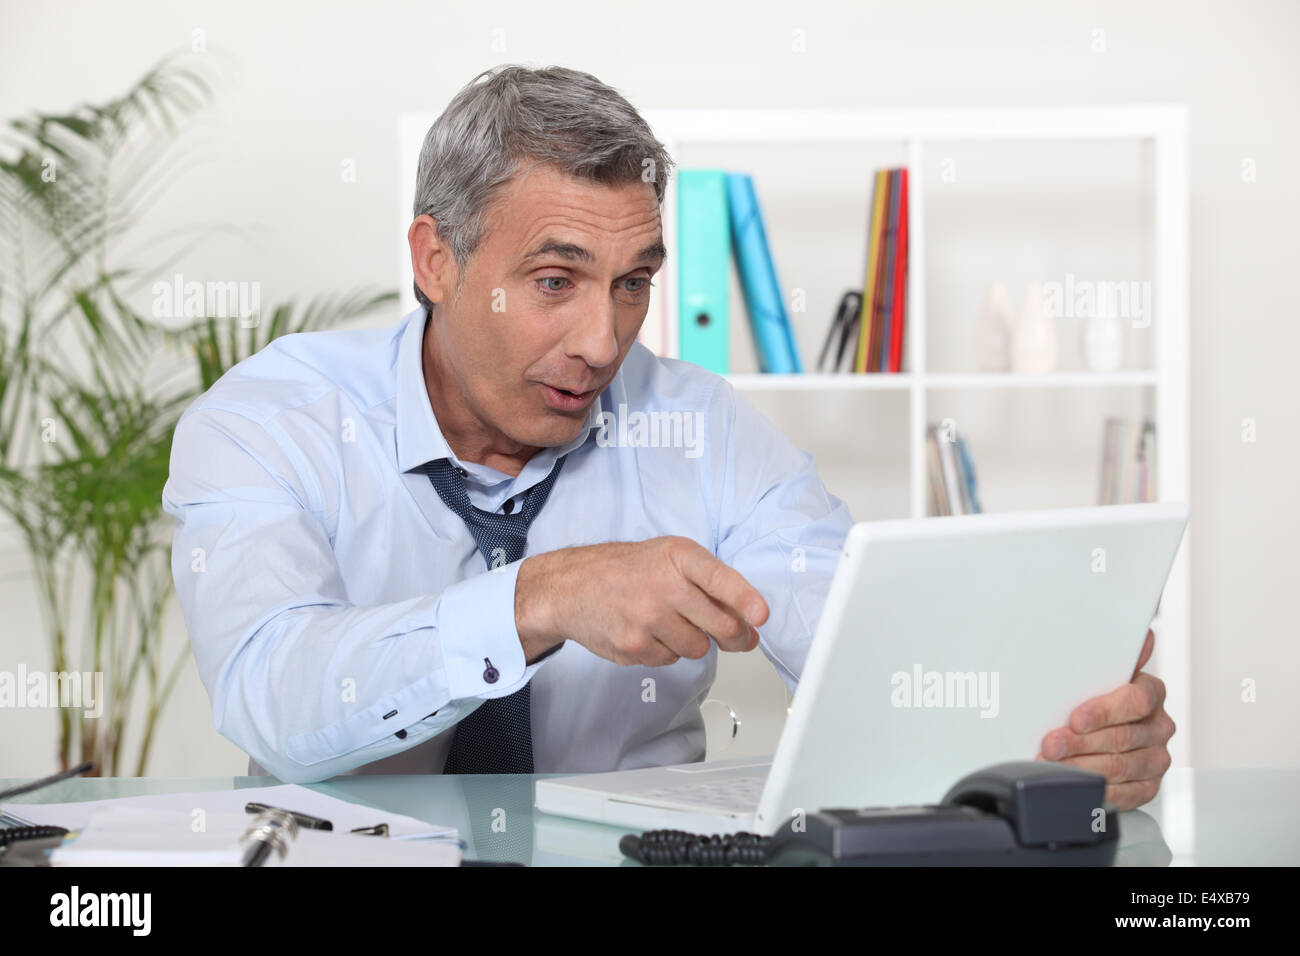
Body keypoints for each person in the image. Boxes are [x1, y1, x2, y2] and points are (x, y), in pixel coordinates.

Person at [162, 65, 1173, 809]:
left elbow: (850, 633)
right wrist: (537, 596)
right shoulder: (271, 420)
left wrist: (1053, 734)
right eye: (554, 281)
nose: (602, 340)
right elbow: (271, 687)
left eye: (634, 282)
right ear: (435, 256)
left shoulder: (701, 427)